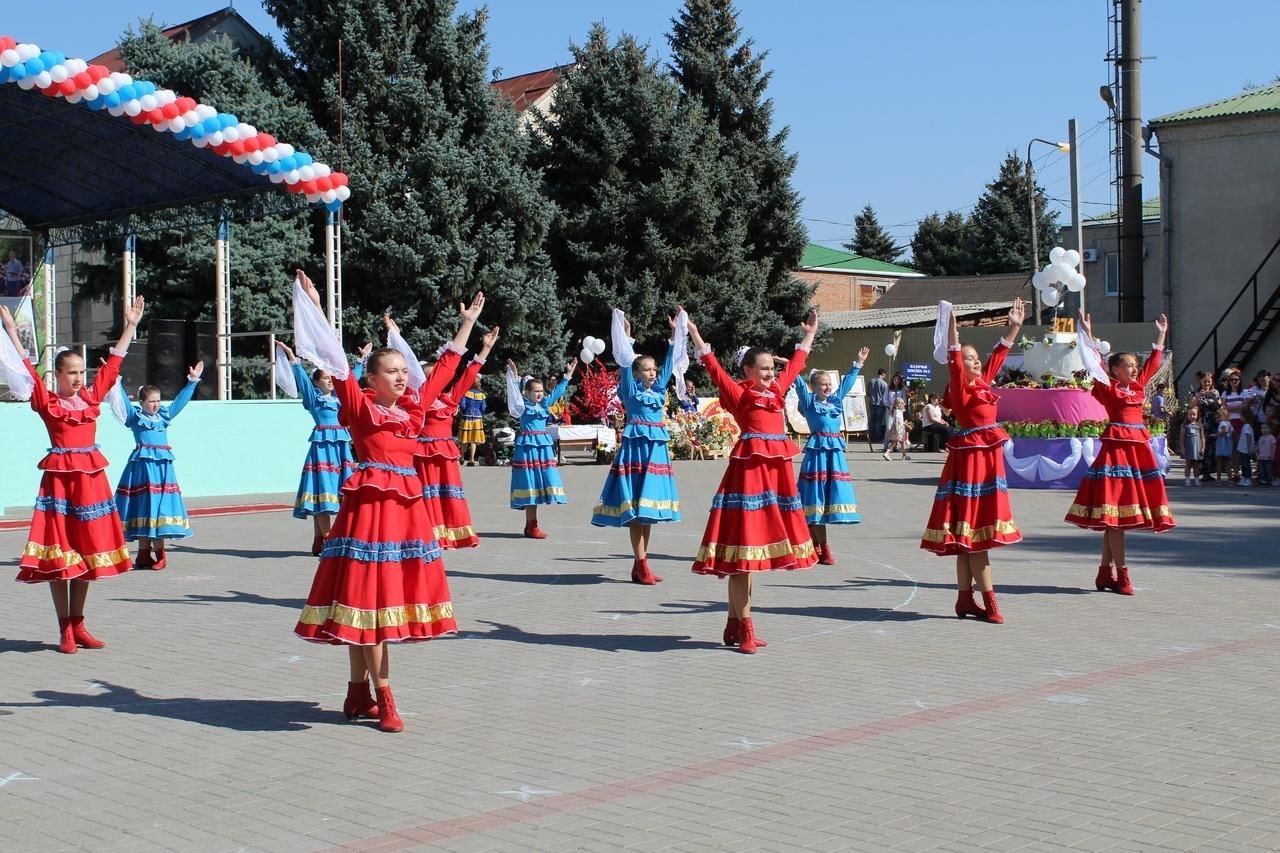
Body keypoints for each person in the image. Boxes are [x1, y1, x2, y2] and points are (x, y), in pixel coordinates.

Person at [291, 273, 484, 733]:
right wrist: (318, 307)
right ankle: (385, 696)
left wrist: (467, 327)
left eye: (403, 370)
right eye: (392, 371)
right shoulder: (360, 409)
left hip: (405, 520)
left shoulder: (414, 410)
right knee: (369, 606)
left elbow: (443, 370)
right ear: (371, 381)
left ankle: (358, 692)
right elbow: (336, 362)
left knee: (371, 608)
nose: (402, 376)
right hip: (368, 518)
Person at [0, 297, 145, 654]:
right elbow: (27, 369)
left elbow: (113, 365)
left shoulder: (93, 398)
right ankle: (64, 627)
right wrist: (11, 332)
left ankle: (79, 623)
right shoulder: (47, 402)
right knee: (60, 553)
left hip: (91, 485)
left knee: (86, 553)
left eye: (82, 372)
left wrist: (130, 326)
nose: (80, 378)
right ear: (59, 376)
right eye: (73, 373)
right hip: (61, 485)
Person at [684, 308, 820, 654]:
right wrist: (695, 334)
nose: (770, 374)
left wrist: (808, 334)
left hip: (774, 485)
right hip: (747, 483)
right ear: (748, 371)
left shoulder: (776, 393)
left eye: (772, 369)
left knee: (753, 557)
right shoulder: (740, 395)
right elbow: (713, 369)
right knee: (743, 557)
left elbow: (797, 364)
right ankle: (744, 628)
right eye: (763, 369)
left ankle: (734, 624)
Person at [920, 299, 1025, 624]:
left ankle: (965, 600)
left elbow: (998, 355)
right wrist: (952, 328)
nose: (976, 363)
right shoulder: (961, 389)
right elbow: (953, 358)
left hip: (986, 467)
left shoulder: (982, 383)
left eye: (976, 359)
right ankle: (990, 602)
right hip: (971, 468)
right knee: (977, 537)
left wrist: (1015, 327)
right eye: (969, 360)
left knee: (968, 538)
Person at [1067, 312, 1175, 595]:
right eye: (1128, 365)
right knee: (1115, 515)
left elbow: (1153, 363)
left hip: (1137, 453)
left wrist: (1161, 335)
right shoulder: (1108, 387)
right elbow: (1094, 363)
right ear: (1115, 370)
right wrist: (1088, 335)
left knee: (1116, 518)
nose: (1135, 369)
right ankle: (1121, 574)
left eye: (1135, 365)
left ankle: (1105, 573)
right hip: (1116, 454)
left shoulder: (1137, 387)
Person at [381, 313, 500, 550]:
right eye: (427, 377)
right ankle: (429, 533)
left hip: (444, 453)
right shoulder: (414, 400)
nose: (434, 381)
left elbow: (467, 375)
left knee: (447, 495)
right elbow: (406, 370)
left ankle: (449, 533)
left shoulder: (449, 400)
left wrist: (485, 349)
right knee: (427, 494)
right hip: (423, 452)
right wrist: (395, 337)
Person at [590, 308, 686, 584]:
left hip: (655, 452)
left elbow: (669, 364)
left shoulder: (657, 390)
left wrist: (673, 334)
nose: (653, 373)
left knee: (648, 512)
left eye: (653, 369)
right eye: (647, 369)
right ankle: (641, 562)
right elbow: (623, 364)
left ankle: (641, 563)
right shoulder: (630, 390)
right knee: (636, 511)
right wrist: (627, 341)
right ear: (636, 372)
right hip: (636, 451)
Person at [279, 330, 368, 556]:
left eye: (331, 377)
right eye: (326, 378)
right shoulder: (314, 399)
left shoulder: (340, 399)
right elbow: (302, 381)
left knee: (344, 492)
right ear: (317, 382)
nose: (330, 380)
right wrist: (293, 359)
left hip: (340, 448)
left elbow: (352, 381)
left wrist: (360, 360)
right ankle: (326, 539)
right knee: (322, 493)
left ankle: (324, 539)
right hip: (321, 448)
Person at [112, 363, 204, 570]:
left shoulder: (163, 416)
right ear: (142, 402)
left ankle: (160, 554)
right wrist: (116, 380)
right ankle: (143, 555)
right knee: (143, 507)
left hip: (162, 468)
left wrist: (191, 382)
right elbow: (124, 403)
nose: (155, 405)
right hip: (142, 468)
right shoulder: (136, 418)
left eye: (158, 400)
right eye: (151, 401)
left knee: (159, 507)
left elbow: (180, 403)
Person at [792, 348, 868, 566]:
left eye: (828, 384)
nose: (827, 387)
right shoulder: (808, 402)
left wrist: (858, 364)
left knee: (829, 498)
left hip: (834, 457)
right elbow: (796, 381)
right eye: (822, 384)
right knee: (814, 501)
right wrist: (793, 362)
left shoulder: (835, 402)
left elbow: (846, 384)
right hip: (816, 457)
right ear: (813, 387)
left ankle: (816, 545)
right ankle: (821, 547)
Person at [506, 357, 577, 539]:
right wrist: (514, 378)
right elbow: (513, 398)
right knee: (530, 486)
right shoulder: (523, 407)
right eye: (536, 391)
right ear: (527, 392)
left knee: (541, 484)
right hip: (528, 448)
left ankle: (532, 525)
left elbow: (558, 392)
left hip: (543, 448)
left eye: (541, 391)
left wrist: (568, 375)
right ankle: (531, 525)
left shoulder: (544, 405)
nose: (539, 394)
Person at [457, 381, 487, 466]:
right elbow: (483, 407)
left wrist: (464, 411)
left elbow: (462, 405)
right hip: (477, 418)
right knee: (474, 439)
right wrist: (479, 413)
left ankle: (462, 457)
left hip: (467, 417)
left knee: (464, 439)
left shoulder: (466, 394)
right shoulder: (481, 395)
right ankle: (472, 459)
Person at [882, 373, 908, 451]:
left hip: (899, 411)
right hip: (890, 409)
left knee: (898, 427)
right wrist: (888, 405)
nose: (896, 381)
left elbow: (904, 399)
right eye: (895, 379)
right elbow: (885, 398)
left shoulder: (902, 389)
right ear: (892, 380)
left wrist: (901, 406)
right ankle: (885, 445)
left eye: (898, 379)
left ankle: (895, 446)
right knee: (889, 427)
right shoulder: (888, 388)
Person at [1181, 404, 1204, 487]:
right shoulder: (1185, 426)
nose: (1192, 416)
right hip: (1188, 447)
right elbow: (1182, 438)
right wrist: (1182, 447)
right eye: (1190, 414)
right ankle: (1187, 479)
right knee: (1188, 464)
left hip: (1197, 447)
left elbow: (1202, 438)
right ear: (1187, 415)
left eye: (1194, 414)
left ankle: (1197, 480)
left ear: (1197, 415)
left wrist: (1203, 447)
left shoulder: (1199, 426)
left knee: (1196, 464)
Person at [867, 368, 889, 445]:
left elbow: (868, 393)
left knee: (872, 421)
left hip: (872, 403)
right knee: (878, 422)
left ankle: (871, 438)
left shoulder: (871, 381)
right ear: (883, 374)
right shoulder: (884, 384)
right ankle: (877, 438)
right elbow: (886, 396)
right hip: (880, 404)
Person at [1237, 410, 1257, 487]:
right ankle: (1244, 477)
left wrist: (1249, 448)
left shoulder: (1247, 426)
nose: (1240, 417)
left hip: (1246, 449)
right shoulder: (1245, 426)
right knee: (1243, 464)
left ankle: (1248, 478)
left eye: (1241, 416)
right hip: (1242, 448)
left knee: (1246, 464)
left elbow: (1248, 437)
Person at [1258, 422, 1276, 486]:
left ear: (1270, 429)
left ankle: (1269, 481)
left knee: (1269, 470)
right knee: (1262, 470)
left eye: (1266, 428)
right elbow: (1258, 447)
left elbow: (1273, 447)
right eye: (1262, 428)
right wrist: (1257, 455)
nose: (1264, 430)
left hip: (1268, 457)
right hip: (1261, 457)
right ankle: (1263, 480)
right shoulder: (1261, 438)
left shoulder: (1271, 437)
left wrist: (1272, 455)